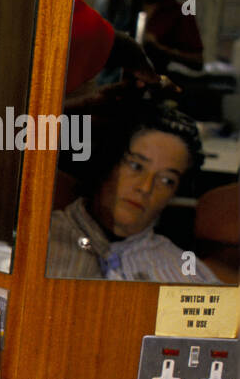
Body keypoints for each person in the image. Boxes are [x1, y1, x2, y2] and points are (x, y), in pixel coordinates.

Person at [47, 100, 219, 283]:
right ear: (107, 161)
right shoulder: (34, 242)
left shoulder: (187, 274)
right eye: (136, 166)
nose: (145, 187)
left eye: (167, 180)